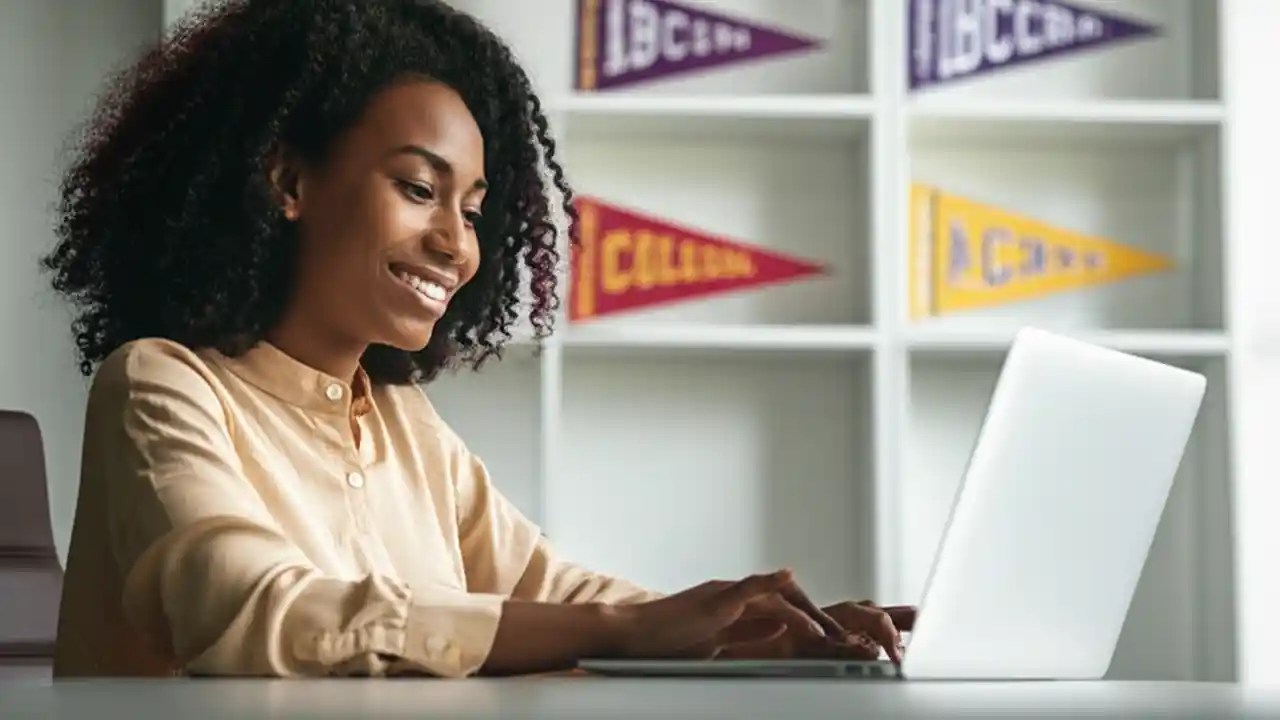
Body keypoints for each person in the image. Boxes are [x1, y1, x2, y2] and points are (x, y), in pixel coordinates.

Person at [43, 0, 913, 678]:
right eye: (419, 189)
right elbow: (249, 614)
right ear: (288, 179)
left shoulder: (403, 422)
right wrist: (631, 628)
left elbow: (554, 593)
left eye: (471, 211)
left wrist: (761, 630)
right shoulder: (160, 384)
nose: (457, 245)